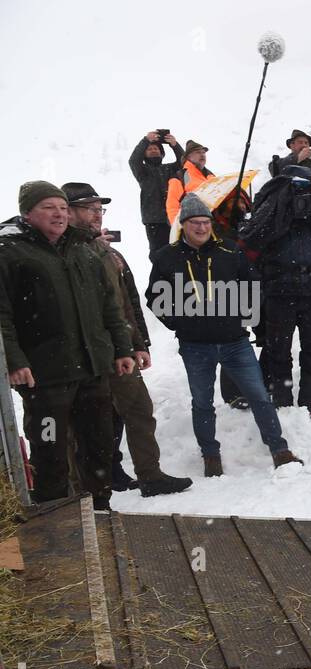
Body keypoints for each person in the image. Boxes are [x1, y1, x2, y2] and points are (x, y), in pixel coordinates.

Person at [1, 182, 135, 510]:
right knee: (50, 448)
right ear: (27, 213)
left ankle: (100, 508)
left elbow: (109, 307)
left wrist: (121, 349)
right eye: (49, 207)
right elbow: (1, 314)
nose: (59, 214)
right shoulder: (10, 251)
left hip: (92, 369)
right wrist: (15, 360)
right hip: (45, 376)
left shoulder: (82, 248)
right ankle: (54, 517)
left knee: (99, 445)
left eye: (62, 208)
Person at [147, 195, 300, 476]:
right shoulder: (167, 257)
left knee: (259, 397)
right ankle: (210, 456)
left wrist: (246, 317)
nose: (202, 228)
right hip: (194, 346)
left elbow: (254, 284)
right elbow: (154, 297)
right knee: (202, 403)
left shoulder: (229, 252)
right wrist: (177, 323)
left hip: (235, 343)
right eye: (196, 223)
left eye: (206, 222)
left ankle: (279, 449)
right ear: (184, 225)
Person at [61, 182, 191, 496]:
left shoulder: (109, 251)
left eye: (99, 208)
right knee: (79, 424)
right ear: (69, 211)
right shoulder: (62, 250)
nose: (97, 215)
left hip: (120, 348)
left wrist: (139, 343)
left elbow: (127, 303)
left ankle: (150, 475)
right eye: (89, 208)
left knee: (139, 409)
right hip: (84, 353)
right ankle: (74, 489)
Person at [238, 164, 311, 416]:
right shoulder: (272, 214)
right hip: (279, 292)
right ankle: (283, 398)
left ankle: (308, 397)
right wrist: (281, 211)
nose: (302, 196)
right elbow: (252, 244)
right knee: (279, 350)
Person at [129, 129, 184, 252]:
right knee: (158, 253)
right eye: (149, 149)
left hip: (175, 218)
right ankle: (159, 272)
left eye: (156, 149)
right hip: (154, 221)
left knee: (179, 252)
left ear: (162, 153)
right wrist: (145, 140)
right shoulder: (142, 172)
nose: (153, 150)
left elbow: (184, 162)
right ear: (144, 154)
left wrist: (175, 145)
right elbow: (133, 160)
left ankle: (177, 273)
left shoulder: (171, 169)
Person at [165, 140, 215, 224]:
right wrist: (177, 228)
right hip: (194, 225)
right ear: (188, 157)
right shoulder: (180, 176)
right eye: (198, 152)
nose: (202, 155)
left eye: (203, 152)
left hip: (214, 223)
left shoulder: (211, 176)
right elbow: (172, 206)